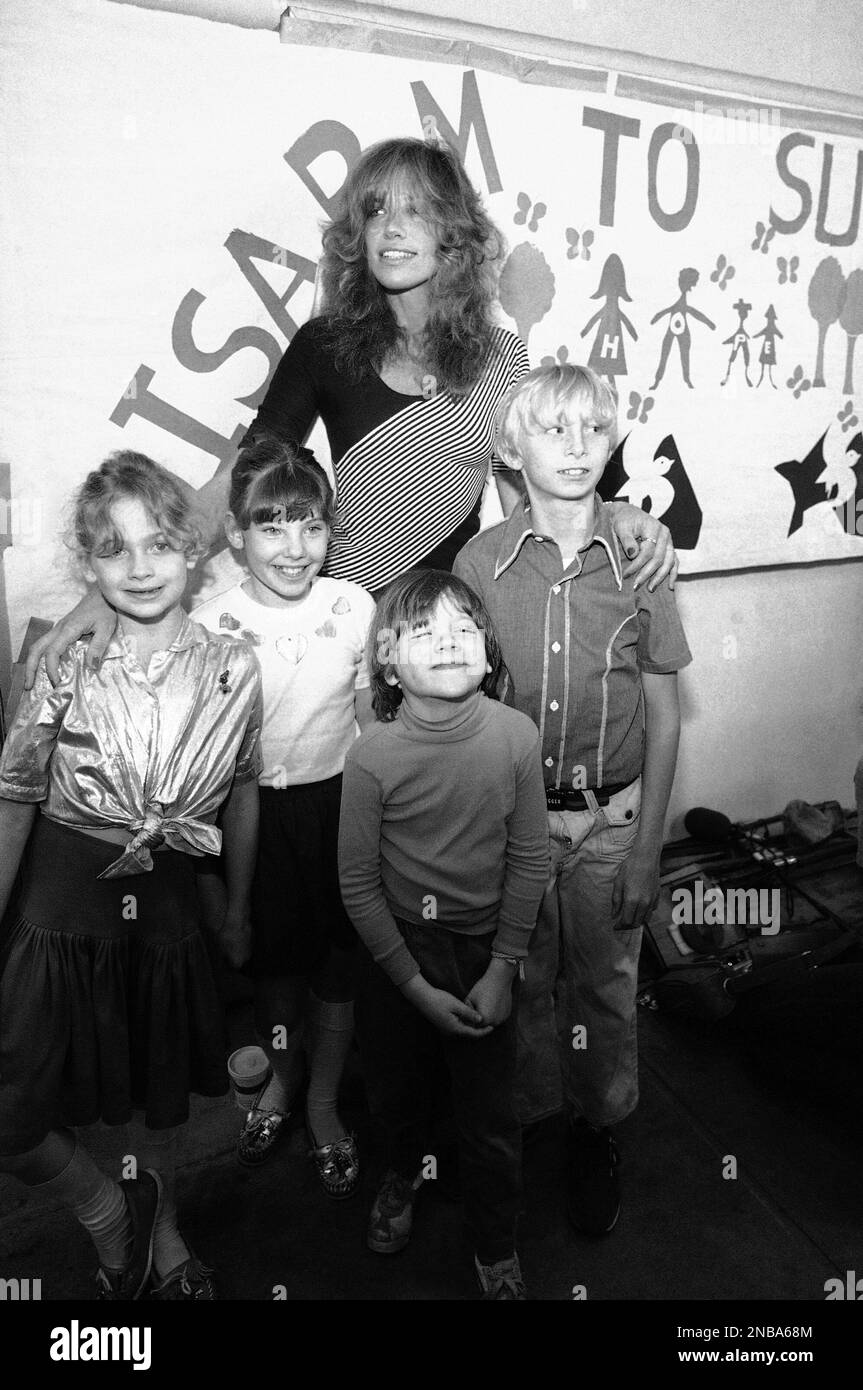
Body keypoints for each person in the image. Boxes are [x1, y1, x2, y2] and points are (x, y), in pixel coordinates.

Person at [23, 137, 677, 685]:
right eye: (374, 211)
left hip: (452, 629)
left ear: (454, 233)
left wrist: (617, 515)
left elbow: (530, 503)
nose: (391, 227)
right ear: (356, 236)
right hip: (341, 630)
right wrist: (105, 591)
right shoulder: (322, 346)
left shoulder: (502, 358)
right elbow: (238, 480)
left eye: (415, 211)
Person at [0, 452, 262, 1300]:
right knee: (12, 1106)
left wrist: (239, 907)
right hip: (57, 903)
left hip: (167, 911)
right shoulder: (61, 652)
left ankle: (166, 1228)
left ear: (195, 550)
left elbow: (243, 791)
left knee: (158, 1096)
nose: (139, 568)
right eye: (114, 550)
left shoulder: (234, 665)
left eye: (158, 545)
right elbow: (11, 798)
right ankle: (109, 1212)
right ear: (87, 563)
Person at [453, 364, 692, 1238]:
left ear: (613, 442)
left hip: (609, 825)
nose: (575, 447)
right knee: (516, 983)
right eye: (552, 430)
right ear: (510, 448)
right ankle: (531, 1121)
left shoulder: (640, 558)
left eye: (593, 429)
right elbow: (464, 710)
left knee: (602, 988)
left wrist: (646, 850)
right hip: (512, 827)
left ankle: (595, 1130)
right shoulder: (480, 564)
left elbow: (663, 716)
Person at [338, 570, 549, 1300]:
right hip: (398, 955)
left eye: (463, 628)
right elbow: (357, 884)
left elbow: (530, 858)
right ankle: (400, 1179)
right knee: (397, 1095)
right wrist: (411, 985)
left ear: (488, 654)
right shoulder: (371, 756)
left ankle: (494, 1242)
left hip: (486, 950)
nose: (448, 643)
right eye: (422, 632)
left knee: (489, 1115)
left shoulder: (515, 736)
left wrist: (500, 968)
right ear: (387, 662)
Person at [192, 437, 375, 1195]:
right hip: (251, 822)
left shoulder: (355, 604)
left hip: (339, 811)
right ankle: (280, 1084)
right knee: (272, 976)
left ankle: (325, 1103)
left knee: (336, 970)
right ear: (236, 534)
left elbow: (373, 728)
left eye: (311, 525)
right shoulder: (207, 623)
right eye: (271, 526)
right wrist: (223, 897)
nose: (295, 547)